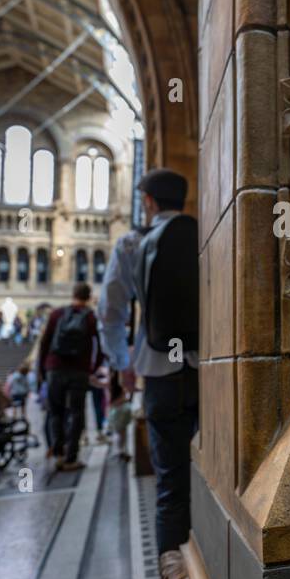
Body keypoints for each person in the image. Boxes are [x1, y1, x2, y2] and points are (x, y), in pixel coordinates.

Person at [98, 168, 199, 555]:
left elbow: (110, 310)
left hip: (158, 370)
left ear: (149, 202)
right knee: (210, 472)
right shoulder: (203, 237)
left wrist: (122, 362)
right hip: (208, 370)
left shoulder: (129, 244)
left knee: (170, 484)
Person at [38, 283, 100, 471]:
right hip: (79, 371)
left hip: (54, 369)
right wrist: (93, 368)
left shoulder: (57, 314)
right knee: (77, 412)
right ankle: (71, 457)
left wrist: (42, 369)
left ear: (72, 294)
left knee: (55, 412)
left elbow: (45, 342)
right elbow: (101, 345)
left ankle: (58, 452)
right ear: (88, 297)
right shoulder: (90, 317)